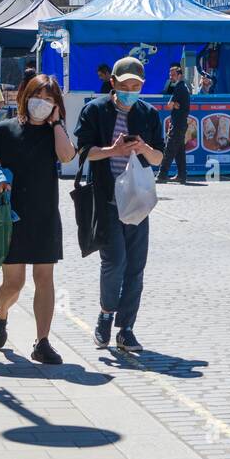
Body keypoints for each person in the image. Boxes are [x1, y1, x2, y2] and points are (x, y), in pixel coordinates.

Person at [0, 74, 76, 365]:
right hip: (10, 216)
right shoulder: (4, 130)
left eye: (49, 100)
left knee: (44, 278)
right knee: (14, 283)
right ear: (26, 97)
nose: (42, 104)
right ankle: (0, 314)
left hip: (44, 214)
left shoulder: (53, 133)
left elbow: (67, 156)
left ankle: (42, 341)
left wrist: (58, 123)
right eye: (38, 97)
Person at [74, 57, 164, 355]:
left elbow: (159, 159)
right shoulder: (95, 110)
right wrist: (113, 150)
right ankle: (105, 314)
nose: (130, 90)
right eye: (124, 85)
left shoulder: (148, 114)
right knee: (114, 262)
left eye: (135, 86)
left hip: (137, 200)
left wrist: (144, 148)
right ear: (112, 83)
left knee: (136, 266)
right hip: (107, 198)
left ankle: (126, 328)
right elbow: (84, 152)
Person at [158, 63, 191, 184]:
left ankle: (162, 175)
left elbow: (169, 105)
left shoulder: (180, 88)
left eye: (173, 75)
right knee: (179, 150)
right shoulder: (180, 87)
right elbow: (171, 105)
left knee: (169, 149)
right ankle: (182, 175)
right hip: (180, 123)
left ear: (180, 75)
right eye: (170, 75)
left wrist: (174, 105)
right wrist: (173, 105)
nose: (171, 77)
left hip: (178, 124)